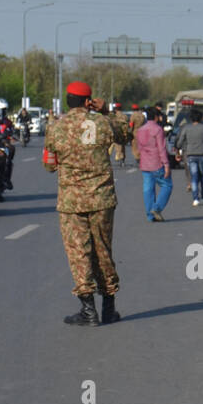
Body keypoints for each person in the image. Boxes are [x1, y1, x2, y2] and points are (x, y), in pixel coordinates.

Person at [46, 81, 129, 325]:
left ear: (67, 101)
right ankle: (109, 308)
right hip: (102, 198)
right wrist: (108, 110)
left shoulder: (56, 127)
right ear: (87, 101)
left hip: (72, 202)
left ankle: (88, 310)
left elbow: (49, 165)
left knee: (79, 254)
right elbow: (125, 133)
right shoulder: (103, 123)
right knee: (103, 250)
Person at [136, 107, 172, 221]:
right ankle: (156, 208)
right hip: (157, 163)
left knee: (148, 189)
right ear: (156, 117)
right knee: (167, 185)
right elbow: (161, 148)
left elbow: (139, 148)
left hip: (145, 164)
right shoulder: (158, 129)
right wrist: (166, 164)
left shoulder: (140, 130)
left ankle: (150, 216)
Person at [177, 108, 203, 206]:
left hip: (190, 155)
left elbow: (180, 141)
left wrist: (178, 148)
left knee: (194, 177)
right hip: (202, 155)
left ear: (190, 118)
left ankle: (196, 198)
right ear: (200, 118)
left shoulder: (186, 128)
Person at [127, 104, 146, 170]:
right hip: (142, 131)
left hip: (135, 131)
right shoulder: (142, 115)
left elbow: (131, 124)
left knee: (135, 146)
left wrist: (129, 132)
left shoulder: (133, 116)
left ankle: (138, 158)